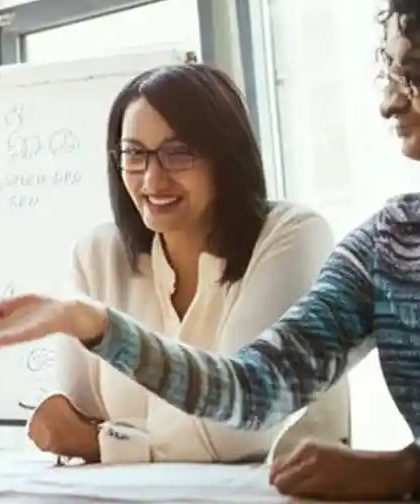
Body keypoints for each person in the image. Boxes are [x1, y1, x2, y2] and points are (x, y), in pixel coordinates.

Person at [0, 0, 420, 501]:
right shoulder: (393, 240)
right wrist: (93, 322)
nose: (388, 103)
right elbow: (252, 389)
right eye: (389, 73)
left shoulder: (298, 233)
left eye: (413, 76)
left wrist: (411, 469)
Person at [29, 63, 348, 465]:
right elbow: (73, 418)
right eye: (134, 154)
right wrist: (97, 437)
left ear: (224, 156)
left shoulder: (294, 236)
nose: (152, 180)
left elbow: (243, 427)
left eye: (178, 153)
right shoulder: (98, 255)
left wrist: (104, 443)